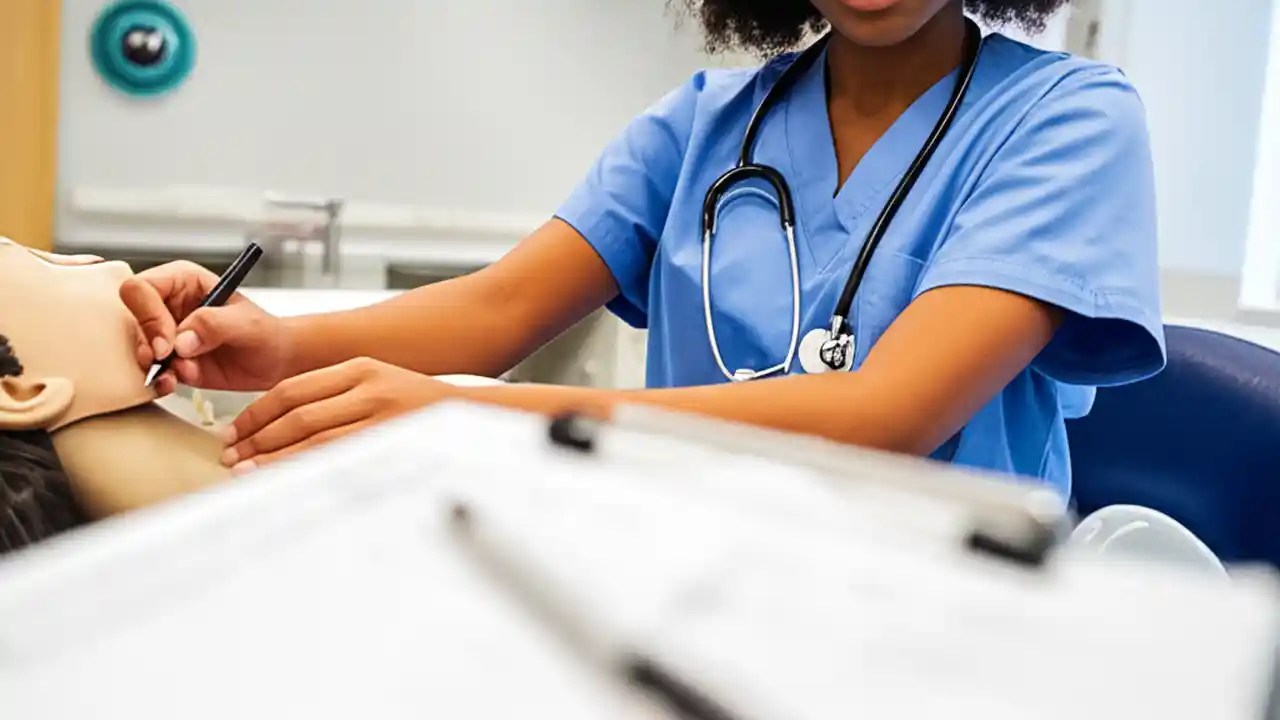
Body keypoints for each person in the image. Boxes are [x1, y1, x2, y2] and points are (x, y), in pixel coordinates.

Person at [122, 0, 1164, 498]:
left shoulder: (1067, 119)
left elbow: (882, 412)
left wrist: (461, 415)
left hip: (941, 607)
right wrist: (275, 341)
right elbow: (494, 314)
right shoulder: (703, 125)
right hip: (688, 555)